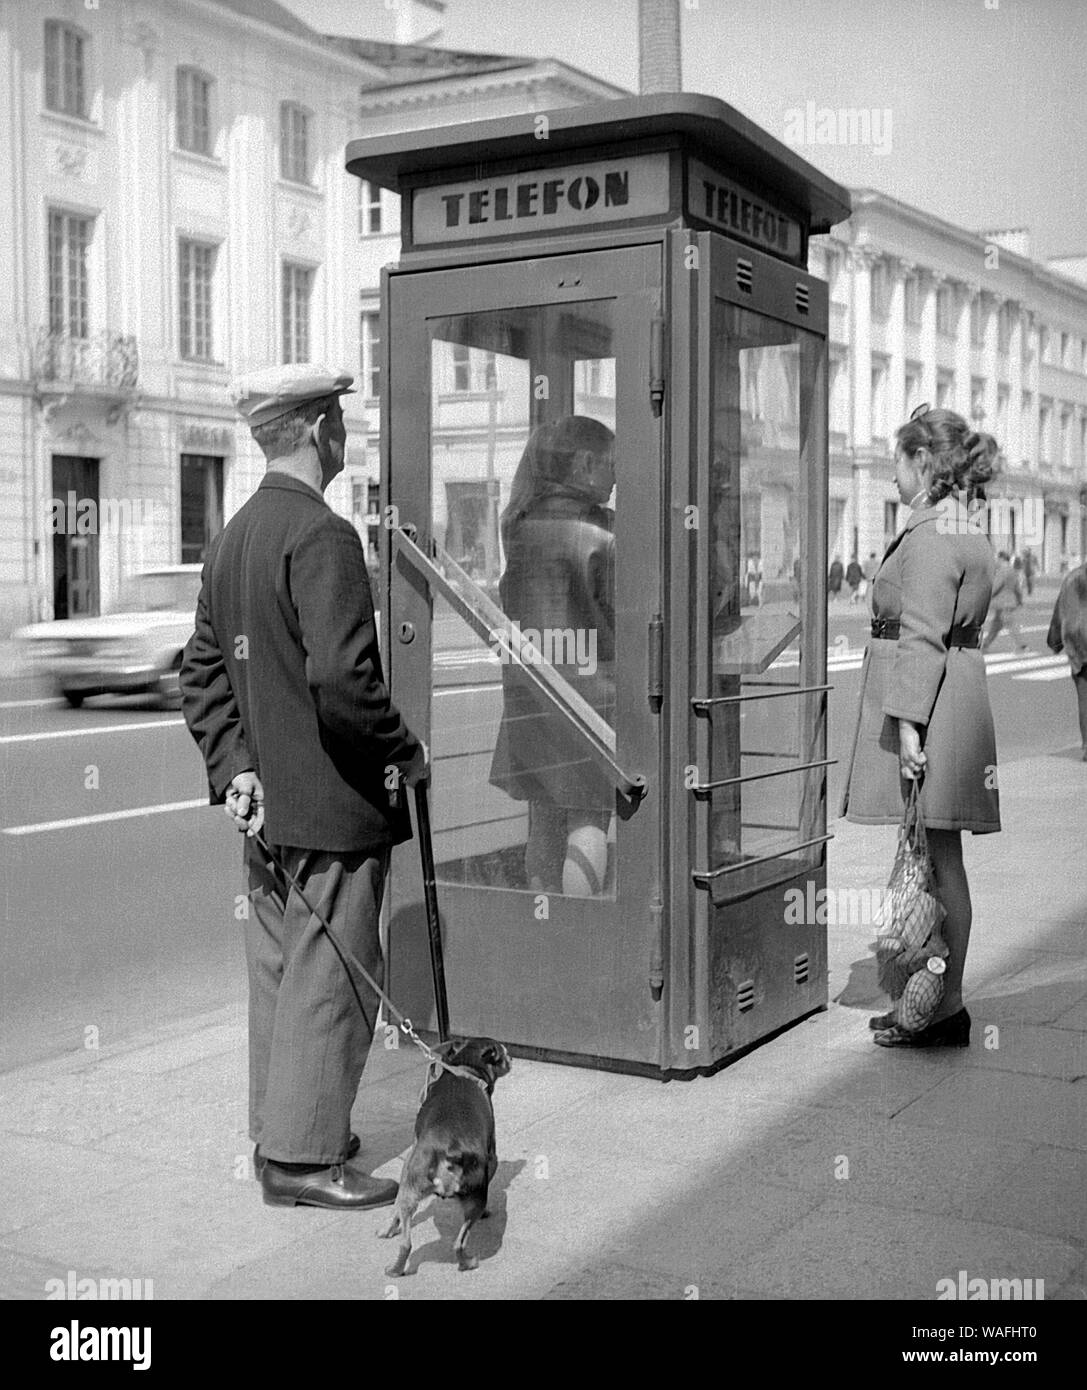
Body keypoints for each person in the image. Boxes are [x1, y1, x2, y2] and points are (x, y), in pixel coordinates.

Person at [179, 365, 427, 1211]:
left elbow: (202, 676)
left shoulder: (232, 536)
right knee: (336, 981)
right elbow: (345, 686)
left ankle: (279, 1129)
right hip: (332, 806)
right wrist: (406, 749)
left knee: (282, 978)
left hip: (268, 815)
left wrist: (235, 768)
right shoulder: (323, 536)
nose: (345, 441)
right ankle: (303, 1159)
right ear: (322, 430)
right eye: (342, 427)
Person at [839, 406, 1001, 1048]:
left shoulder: (934, 531)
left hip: (931, 709)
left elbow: (923, 633)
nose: (894, 476)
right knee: (937, 860)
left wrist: (907, 725)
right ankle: (932, 997)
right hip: (954, 700)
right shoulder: (963, 525)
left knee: (938, 861)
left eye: (899, 463)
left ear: (923, 463)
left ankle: (944, 1004)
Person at [489, 415, 615, 897]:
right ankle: (579, 935)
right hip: (593, 698)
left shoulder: (519, 525)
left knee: (543, 820)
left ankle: (544, 931)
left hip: (533, 693)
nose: (618, 476)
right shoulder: (604, 531)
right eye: (612, 464)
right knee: (589, 821)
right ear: (585, 465)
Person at [1046, 559, 1087, 760]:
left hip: (1077, 641)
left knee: (1084, 696)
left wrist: (1054, 642)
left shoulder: (1072, 577)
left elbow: (1059, 612)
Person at [981, 550, 1028, 652]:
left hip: (1003, 603)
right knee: (996, 626)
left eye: (996, 558)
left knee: (1010, 624)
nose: (995, 560)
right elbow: (1017, 588)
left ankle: (1022, 646)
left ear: (1001, 558)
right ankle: (985, 644)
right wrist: (1019, 601)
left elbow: (995, 586)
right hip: (1009, 602)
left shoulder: (1002, 570)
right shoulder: (1012, 570)